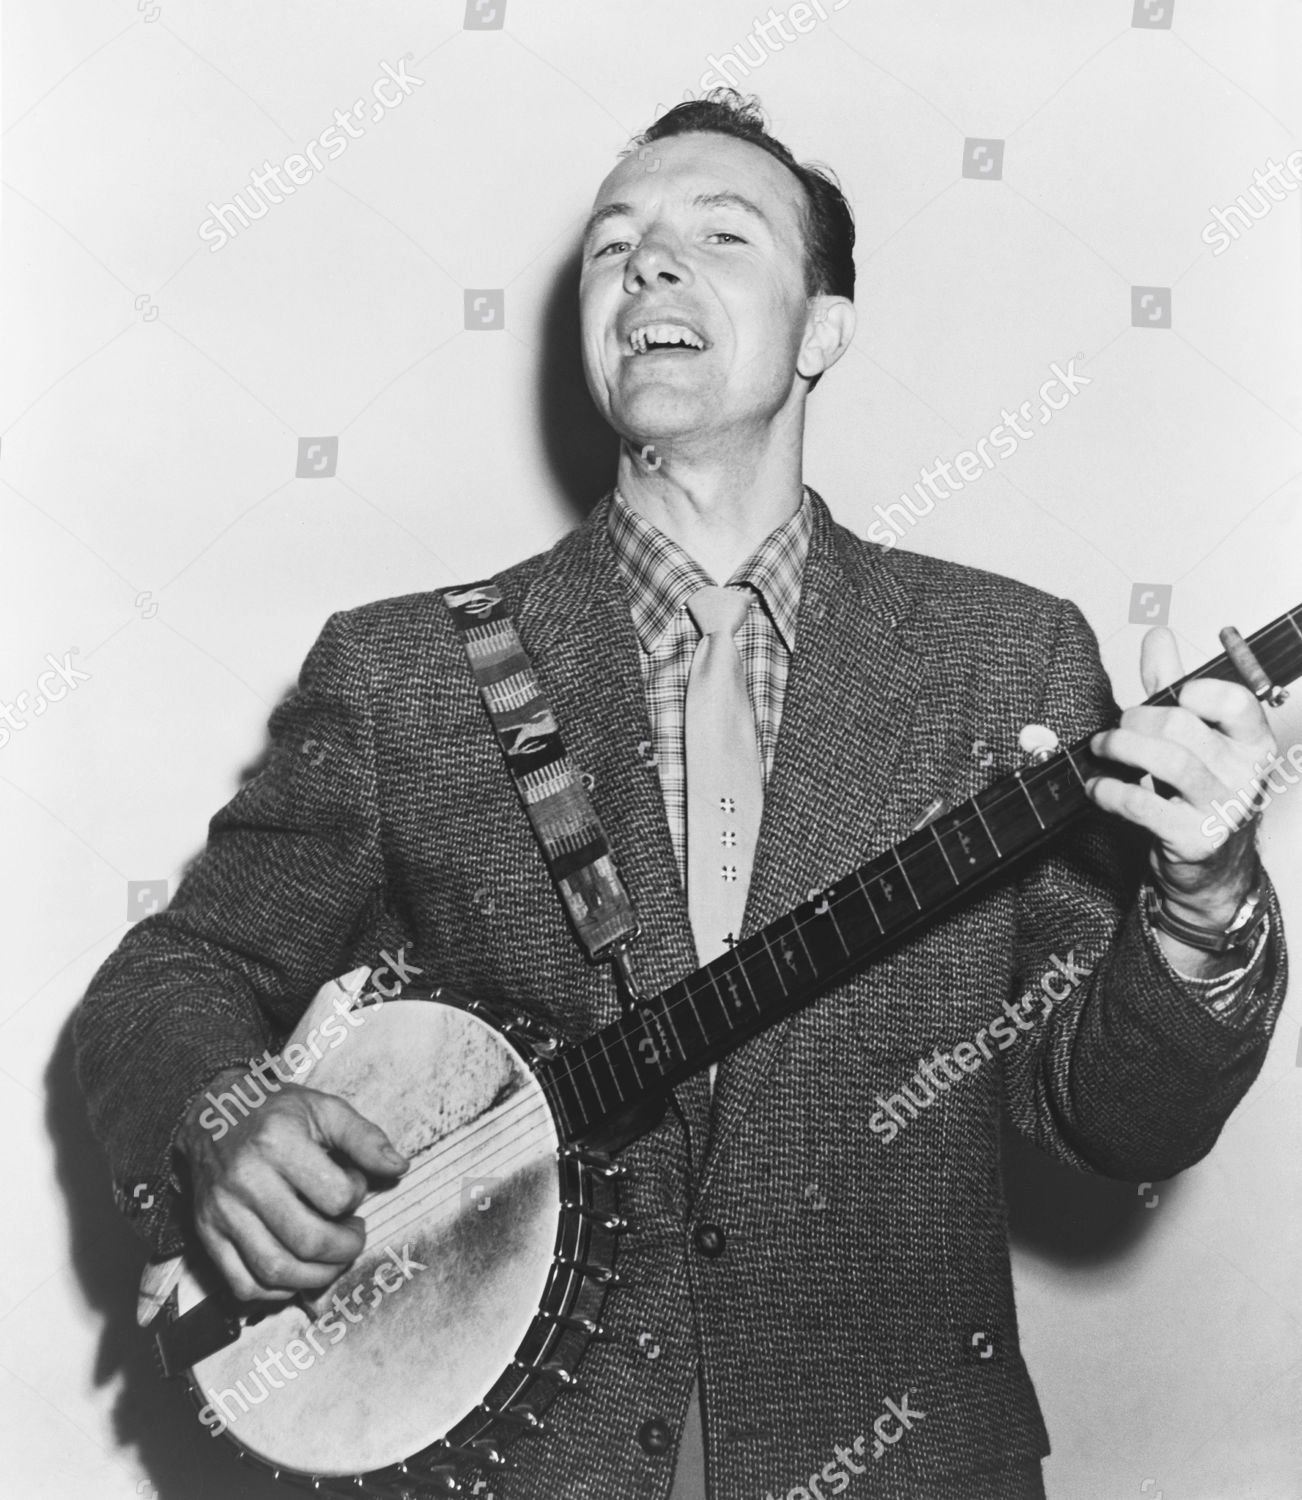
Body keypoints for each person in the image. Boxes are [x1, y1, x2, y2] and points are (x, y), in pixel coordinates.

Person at [75, 90, 1287, 1500]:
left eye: (719, 233)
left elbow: (1111, 1121)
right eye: (615, 245)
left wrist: (1202, 912)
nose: (649, 265)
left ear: (821, 329)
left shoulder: (1003, 657)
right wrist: (221, 1118)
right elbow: (177, 968)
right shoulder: (403, 670)